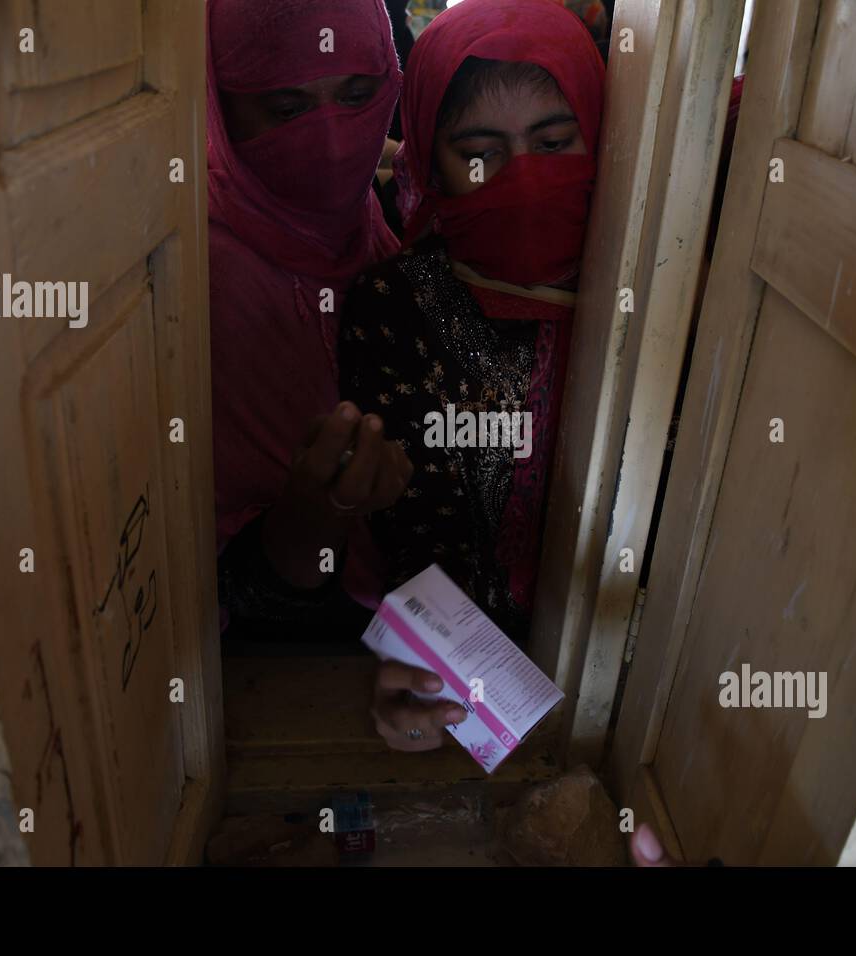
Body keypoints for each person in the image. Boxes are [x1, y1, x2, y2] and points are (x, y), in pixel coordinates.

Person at [333, 0, 606, 749]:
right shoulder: (397, 304)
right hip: (474, 667)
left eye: (554, 144)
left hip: (617, 661)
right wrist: (420, 672)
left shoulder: (641, 298)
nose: (522, 182)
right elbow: (419, 517)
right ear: (430, 161)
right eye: (480, 154)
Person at [206, 0, 413, 638]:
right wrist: (316, 515)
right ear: (218, 103)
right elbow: (221, 585)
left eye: (357, 96)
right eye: (287, 109)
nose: (330, 142)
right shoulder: (199, 280)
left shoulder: (373, 227)